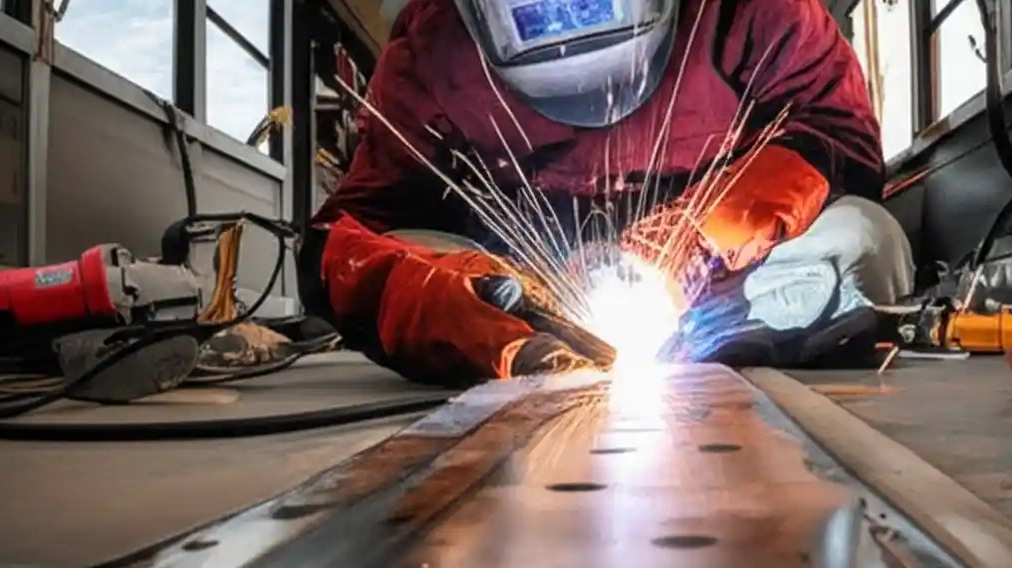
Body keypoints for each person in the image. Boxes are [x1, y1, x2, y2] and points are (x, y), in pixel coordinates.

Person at [297, 0, 913, 385]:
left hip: (725, 275)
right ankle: (522, 339)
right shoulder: (432, 51)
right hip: (528, 286)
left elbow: (840, 139)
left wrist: (699, 232)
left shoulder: (756, 9)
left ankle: (707, 335)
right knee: (400, 266)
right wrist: (449, 301)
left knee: (864, 244)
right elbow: (348, 236)